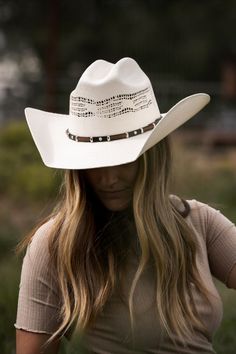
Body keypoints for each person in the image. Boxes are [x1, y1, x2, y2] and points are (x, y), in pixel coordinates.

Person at [15, 57, 236, 354]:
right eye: (94, 163)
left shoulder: (199, 221)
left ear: (151, 157)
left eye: (124, 160)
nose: (108, 178)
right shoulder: (55, 245)